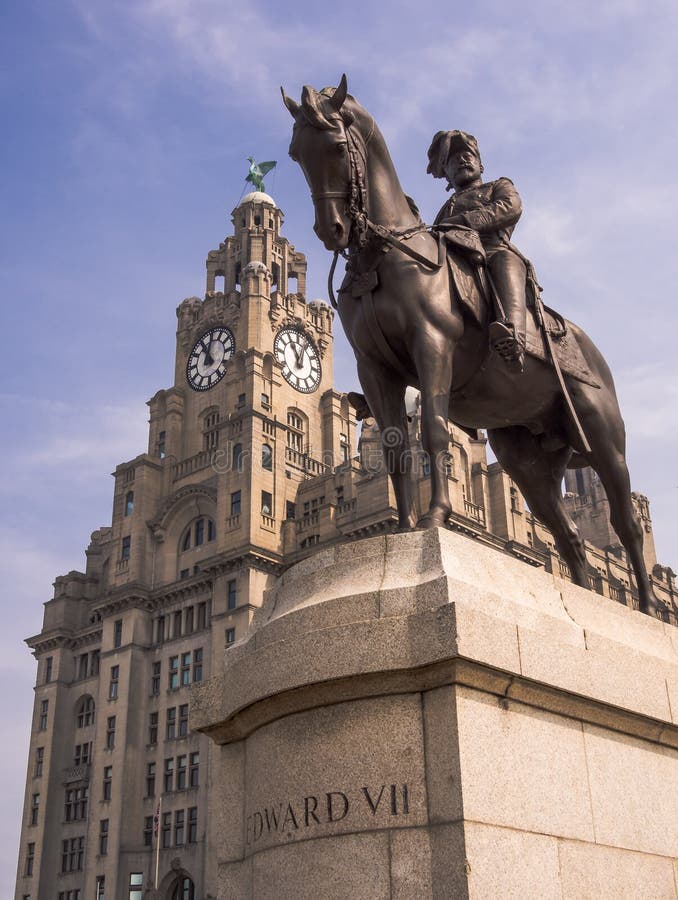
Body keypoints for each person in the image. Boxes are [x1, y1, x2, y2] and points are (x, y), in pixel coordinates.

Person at [427, 130, 527, 372]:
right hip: (453, 259)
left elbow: (510, 207)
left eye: (468, 155)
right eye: (453, 159)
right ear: (447, 177)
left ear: (481, 166)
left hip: (491, 249)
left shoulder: (499, 186)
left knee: (506, 261)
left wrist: (464, 221)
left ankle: (514, 337)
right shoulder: (444, 209)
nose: (462, 160)